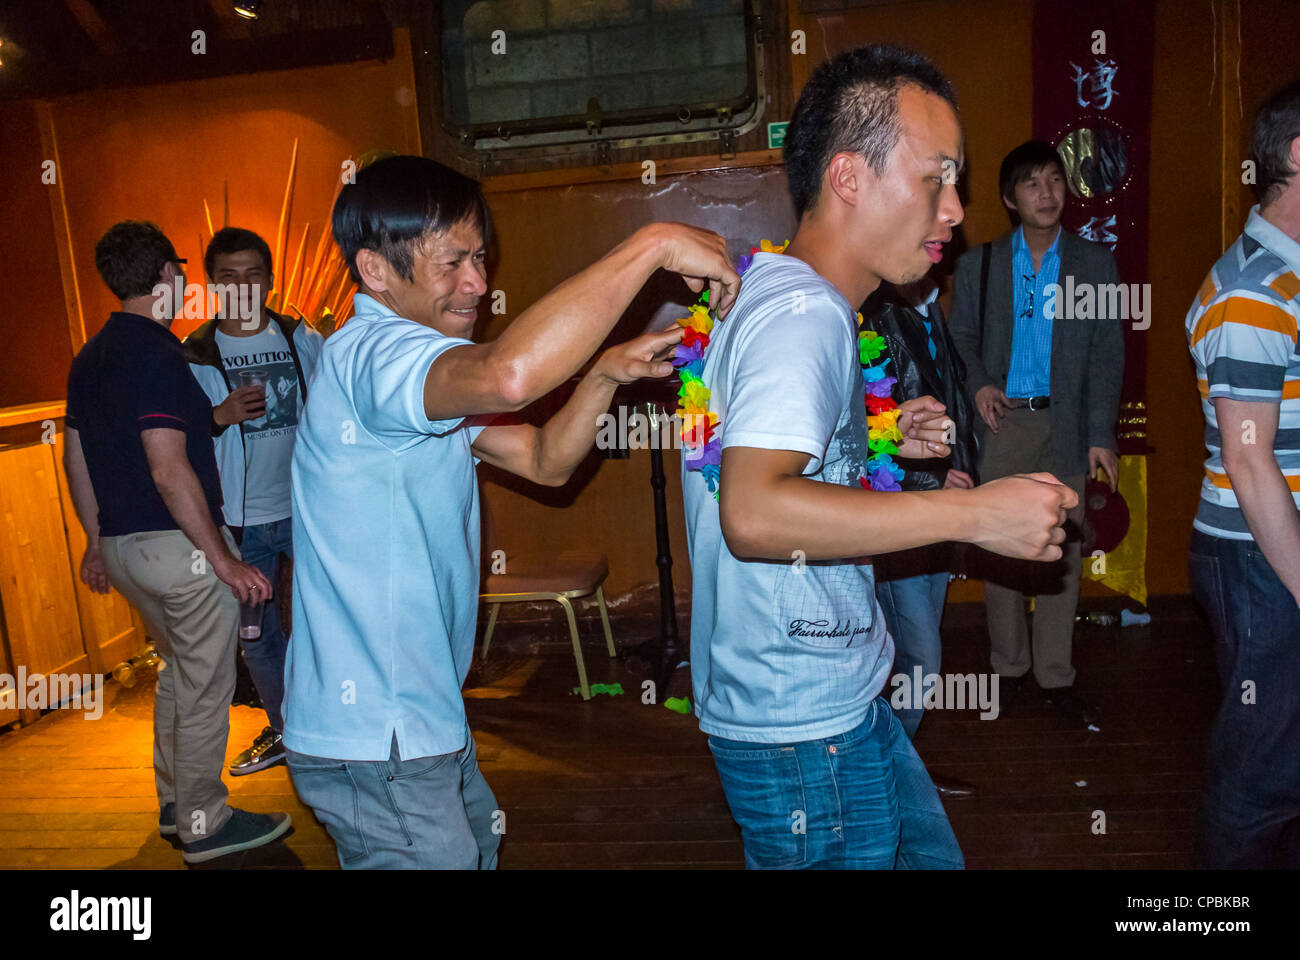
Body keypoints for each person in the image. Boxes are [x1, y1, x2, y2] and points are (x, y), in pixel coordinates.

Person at [681, 44, 1078, 870]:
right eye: (936, 178)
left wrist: (884, 442)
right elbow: (753, 513)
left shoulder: (780, 290)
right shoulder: (805, 318)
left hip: (828, 698)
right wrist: (976, 515)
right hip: (804, 732)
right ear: (849, 178)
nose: (956, 210)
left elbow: (756, 457)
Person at [282, 155, 739, 869]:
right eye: (453, 263)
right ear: (375, 271)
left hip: (416, 720)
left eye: (481, 259)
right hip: (377, 732)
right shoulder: (375, 355)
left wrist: (603, 376)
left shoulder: (416, 370)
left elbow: (544, 461)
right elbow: (511, 373)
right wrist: (649, 245)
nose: (478, 283)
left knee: (479, 845)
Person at [63, 220, 290, 864]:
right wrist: (222, 559)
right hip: (181, 553)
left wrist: (94, 540)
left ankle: (172, 804)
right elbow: (169, 467)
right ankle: (204, 824)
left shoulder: (92, 355)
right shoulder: (158, 353)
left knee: (176, 676)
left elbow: (76, 459)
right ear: (167, 274)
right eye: (182, 270)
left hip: (125, 549)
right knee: (205, 689)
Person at [947, 140, 1124, 727]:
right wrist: (977, 386)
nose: (1047, 194)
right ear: (1009, 199)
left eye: (1055, 180)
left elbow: (1105, 355)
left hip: (1068, 419)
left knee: (1063, 548)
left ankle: (1055, 674)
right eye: (1032, 184)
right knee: (1001, 546)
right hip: (1006, 421)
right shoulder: (983, 265)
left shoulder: (1093, 264)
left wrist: (1102, 432)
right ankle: (1009, 667)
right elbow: (961, 341)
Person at [1185, 77, 1300, 869]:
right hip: (1260, 552)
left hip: (1273, 549)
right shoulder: (1255, 293)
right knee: (1261, 775)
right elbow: (1250, 460)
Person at [184, 227, 324, 776]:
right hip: (241, 523)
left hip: (310, 509)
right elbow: (172, 441)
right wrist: (216, 417)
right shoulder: (195, 354)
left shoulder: (299, 336)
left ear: (270, 279)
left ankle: (329, 720)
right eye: (228, 276)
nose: (242, 286)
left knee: (324, 620)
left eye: (253, 274)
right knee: (258, 635)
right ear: (212, 284)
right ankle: (289, 730)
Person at [863, 274, 979, 797]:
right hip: (901, 510)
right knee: (921, 657)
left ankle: (893, 768)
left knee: (915, 652)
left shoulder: (930, 308)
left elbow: (951, 406)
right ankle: (883, 773)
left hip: (939, 505)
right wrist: (929, 478)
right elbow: (862, 426)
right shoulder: (877, 313)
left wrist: (962, 474)